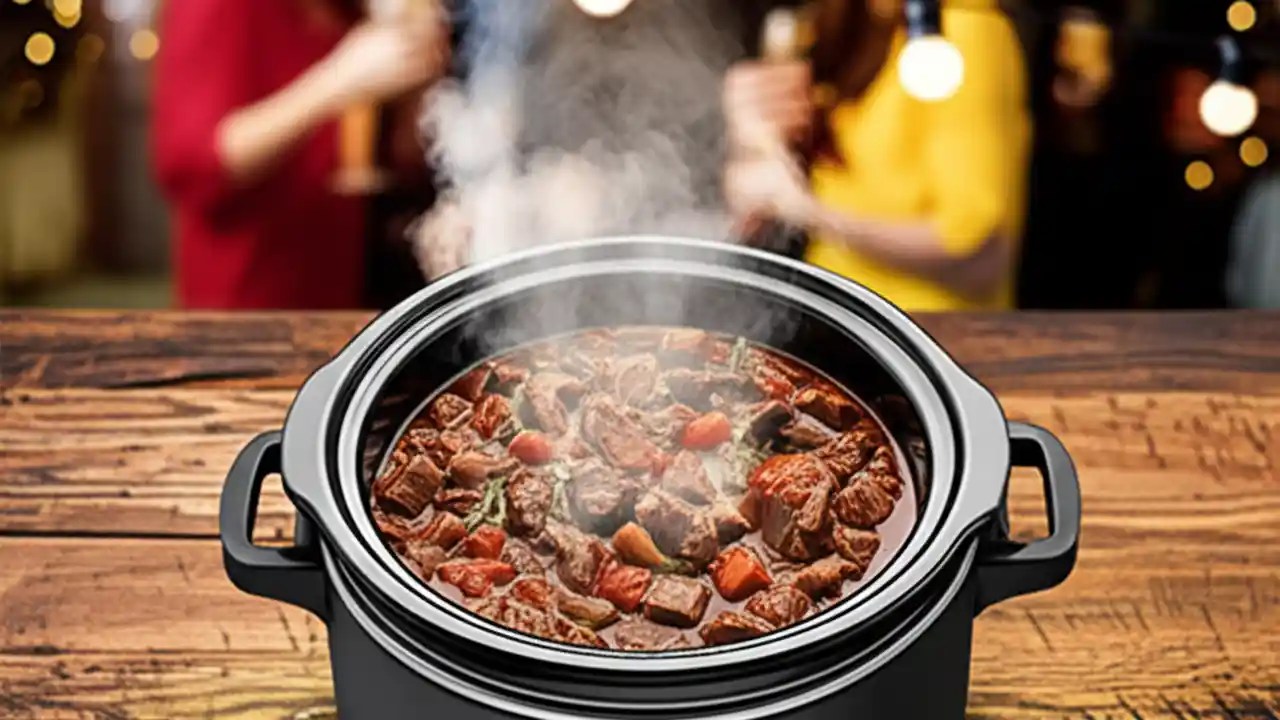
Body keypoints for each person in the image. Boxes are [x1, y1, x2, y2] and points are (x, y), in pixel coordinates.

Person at [723, 0, 1031, 311]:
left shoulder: (965, 30)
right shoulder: (841, 27)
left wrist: (807, 211)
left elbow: (978, 254)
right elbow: (757, 209)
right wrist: (752, 142)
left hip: (923, 330)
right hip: (834, 310)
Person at [152, 0, 448, 309]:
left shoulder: (348, 11)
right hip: (251, 303)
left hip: (346, 289)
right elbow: (192, 164)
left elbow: (399, 158)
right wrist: (337, 80)